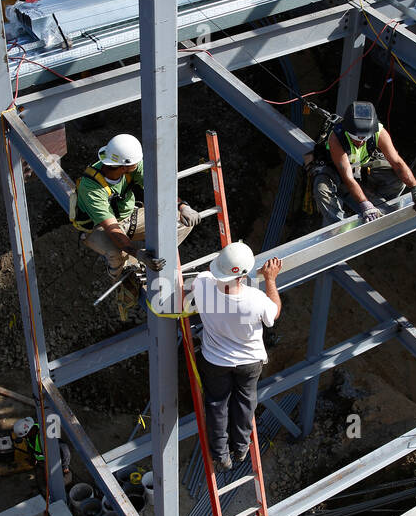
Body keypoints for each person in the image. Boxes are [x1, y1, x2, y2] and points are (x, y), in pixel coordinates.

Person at [70, 133, 201, 320]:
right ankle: (121, 276)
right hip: (97, 228)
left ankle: (150, 261)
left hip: (127, 218)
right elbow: (111, 228)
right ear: (123, 165)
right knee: (118, 252)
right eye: (135, 162)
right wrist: (136, 253)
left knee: (180, 221)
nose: (139, 164)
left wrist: (182, 206)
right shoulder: (91, 187)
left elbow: (158, 188)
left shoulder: (131, 167)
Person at [187, 242, 281, 470]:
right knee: (245, 403)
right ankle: (240, 449)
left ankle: (220, 454)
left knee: (217, 404)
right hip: (249, 362)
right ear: (245, 274)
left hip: (215, 360)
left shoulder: (202, 284)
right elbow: (274, 313)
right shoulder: (256, 299)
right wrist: (269, 279)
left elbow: (211, 278)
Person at [307, 100, 416, 226]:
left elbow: (397, 162)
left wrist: (415, 187)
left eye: (364, 138)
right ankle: (340, 224)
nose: (360, 142)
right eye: (356, 139)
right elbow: (348, 178)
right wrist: (364, 203)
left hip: (362, 166)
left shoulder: (379, 132)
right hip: (337, 170)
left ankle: (381, 204)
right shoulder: (336, 138)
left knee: (396, 177)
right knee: (321, 189)